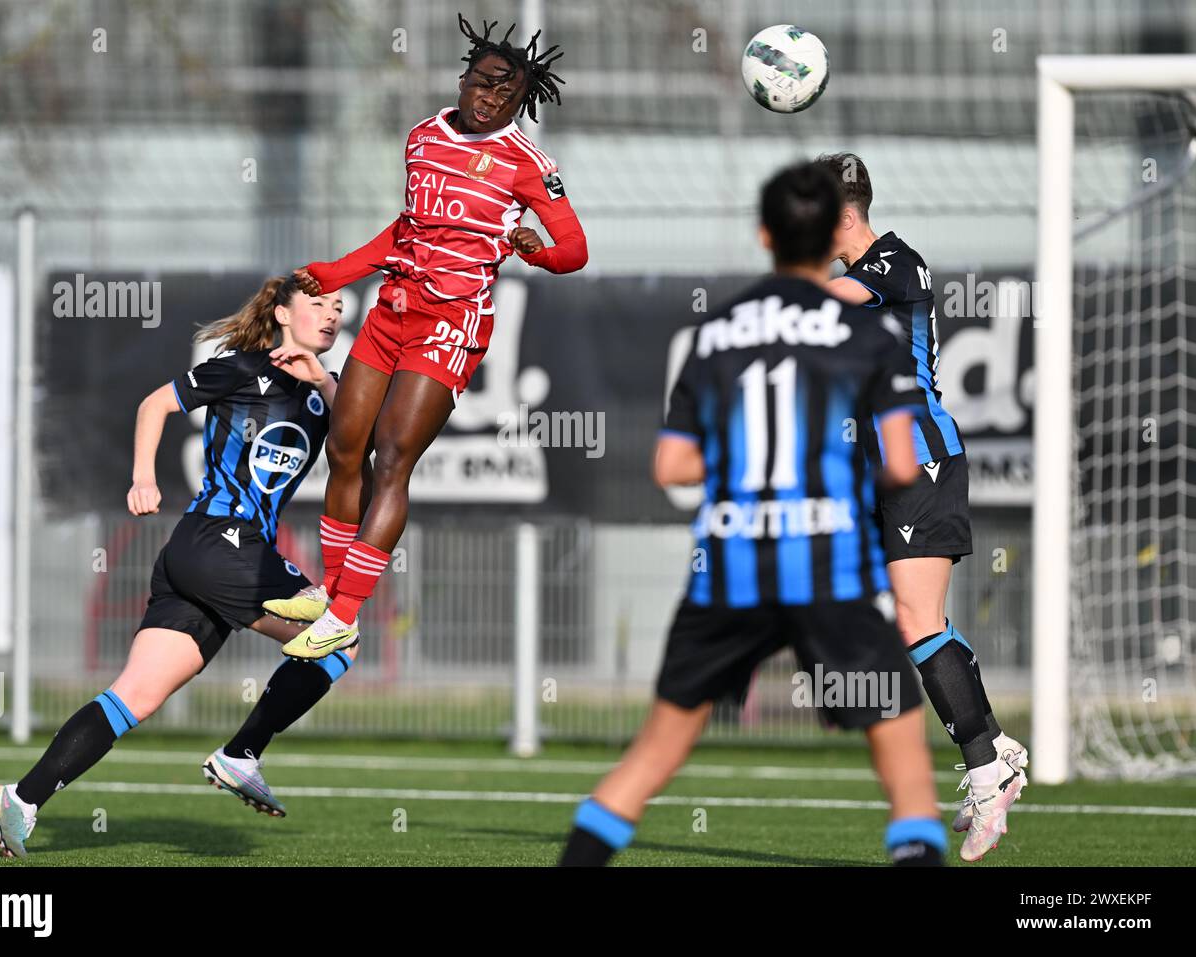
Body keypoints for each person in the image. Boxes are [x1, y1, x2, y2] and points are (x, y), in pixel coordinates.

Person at [558, 162, 944, 867]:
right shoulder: (869, 337)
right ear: (832, 231)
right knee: (908, 777)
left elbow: (671, 467)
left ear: (763, 233)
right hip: (830, 568)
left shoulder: (717, 335)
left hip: (731, 572)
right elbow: (898, 464)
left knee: (648, 760)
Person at [261, 14, 587, 668]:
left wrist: (538, 251)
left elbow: (575, 249)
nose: (493, 98)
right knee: (343, 444)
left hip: (452, 320)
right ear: (464, 78)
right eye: (486, 83)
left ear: (521, 104)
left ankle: (346, 617)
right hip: (391, 311)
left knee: (391, 455)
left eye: (509, 94)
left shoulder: (528, 164)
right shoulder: (423, 136)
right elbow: (403, 231)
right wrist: (337, 272)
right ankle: (332, 593)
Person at [0, 276, 347, 858]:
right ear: (281, 312)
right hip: (220, 542)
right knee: (337, 640)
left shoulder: (326, 392)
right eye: (317, 304)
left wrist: (324, 381)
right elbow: (155, 403)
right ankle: (242, 752)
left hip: (205, 556)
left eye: (338, 307)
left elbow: (366, 438)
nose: (330, 315)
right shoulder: (241, 369)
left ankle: (20, 800)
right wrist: (143, 476)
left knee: (135, 698)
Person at [817, 152, 1026, 861]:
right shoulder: (853, 277)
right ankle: (991, 747)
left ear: (844, 215)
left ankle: (986, 767)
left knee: (916, 619)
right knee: (918, 618)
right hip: (889, 466)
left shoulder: (894, 262)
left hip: (923, 459)